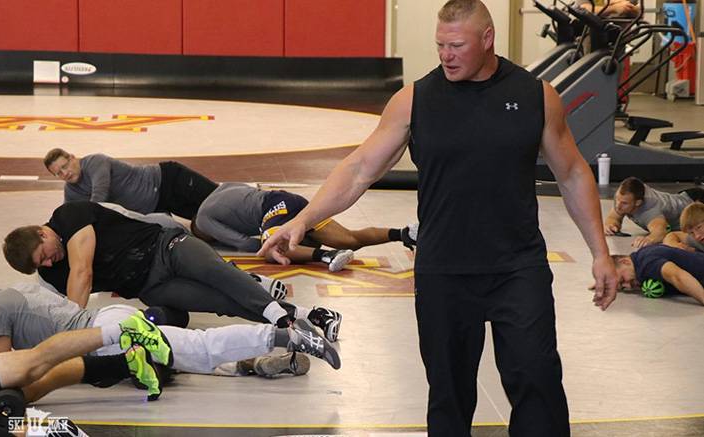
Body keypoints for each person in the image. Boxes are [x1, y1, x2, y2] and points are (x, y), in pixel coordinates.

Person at [258, 1, 618, 435]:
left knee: (538, 383)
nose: (445, 55)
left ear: (487, 40)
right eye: (440, 45)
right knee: (448, 397)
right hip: (443, 270)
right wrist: (303, 220)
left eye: (457, 45)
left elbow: (574, 173)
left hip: (517, 268)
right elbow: (359, 169)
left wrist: (601, 253)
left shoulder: (535, 95)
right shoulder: (415, 100)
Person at [3, 201, 343, 342]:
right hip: (151, 287)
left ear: (43, 232)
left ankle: (284, 319)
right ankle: (310, 316)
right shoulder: (49, 274)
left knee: (220, 274)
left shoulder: (67, 217)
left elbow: (83, 274)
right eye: (41, 266)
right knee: (220, 302)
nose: (48, 265)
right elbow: (57, 303)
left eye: (43, 255)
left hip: (167, 248)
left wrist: (73, 333)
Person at [0, 274, 338, 382]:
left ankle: (286, 336)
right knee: (181, 358)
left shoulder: (1, 307)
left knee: (196, 349)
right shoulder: (17, 293)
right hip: (105, 333)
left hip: (105, 335)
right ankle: (256, 362)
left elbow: (1, 368)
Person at [0, 319, 164, 436]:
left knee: (34, 365)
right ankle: (123, 361)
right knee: (34, 376)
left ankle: (124, 332)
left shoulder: (0, 306)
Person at [192, 182, 417, 272]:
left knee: (271, 250)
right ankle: (404, 233)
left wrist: (268, 239)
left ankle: (328, 255)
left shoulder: (203, 220)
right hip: (286, 199)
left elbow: (245, 243)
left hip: (272, 208)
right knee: (350, 239)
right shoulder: (220, 189)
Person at [44, 148, 218, 220]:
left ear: (73, 157)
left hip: (168, 180)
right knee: (205, 222)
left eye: (65, 166)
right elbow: (67, 217)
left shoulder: (95, 162)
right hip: (158, 206)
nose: (65, 173)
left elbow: (100, 195)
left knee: (221, 201)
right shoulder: (71, 191)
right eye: (58, 173)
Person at [603, 177, 704, 248]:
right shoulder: (624, 198)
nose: (618, 205)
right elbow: (614, 217)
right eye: (617, 199)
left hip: (695, 200)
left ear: (638, 202)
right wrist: (610, 226)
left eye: (624, 203)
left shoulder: (650, 210)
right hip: (680, 198)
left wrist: (649, 239)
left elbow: (661, 231)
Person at [611, 246, 704, 305]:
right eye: (623, 288)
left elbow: (677, 276)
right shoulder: (640, 256)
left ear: (625, 261)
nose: (628, 286)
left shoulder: (646, 264)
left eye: (623, 280)